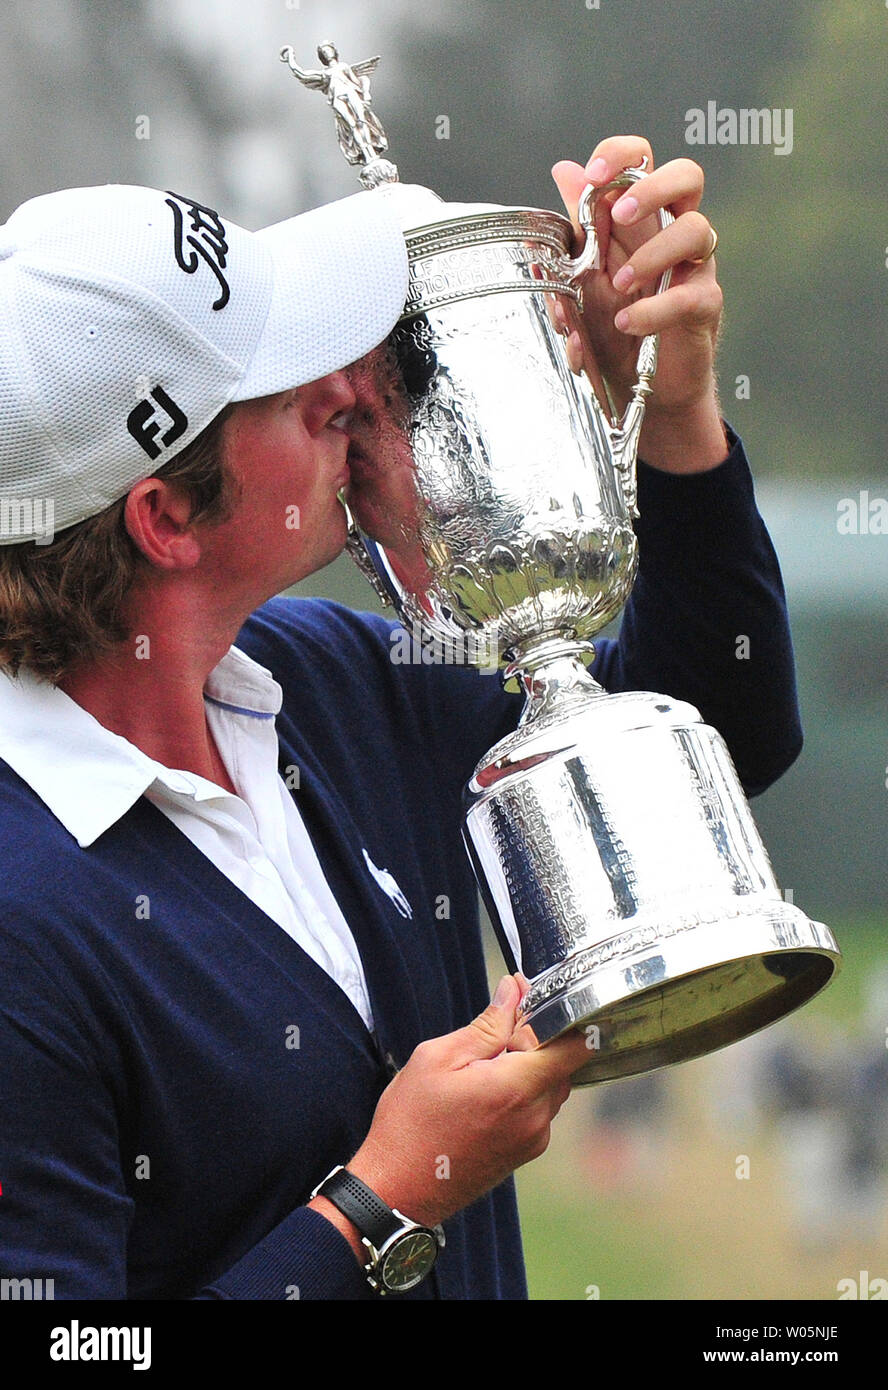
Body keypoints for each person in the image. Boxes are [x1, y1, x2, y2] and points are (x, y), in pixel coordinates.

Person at [0, 137, 802, 1300]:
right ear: (168, 516)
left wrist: (662, 413)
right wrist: (380, 1203)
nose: (350, 389)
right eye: (283, 386)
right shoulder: (22, 920)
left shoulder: (322, 676)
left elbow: (716, 733)